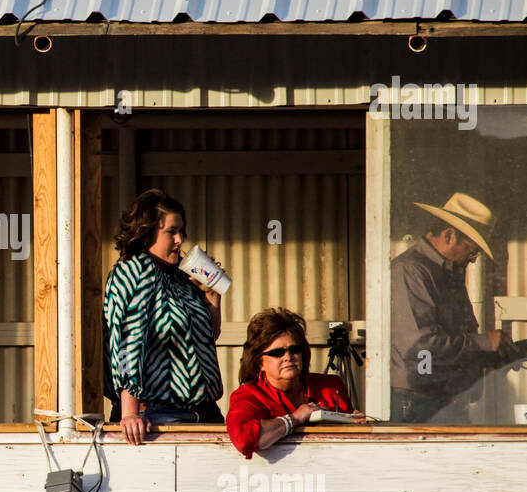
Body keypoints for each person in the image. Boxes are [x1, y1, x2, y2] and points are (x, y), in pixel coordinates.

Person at [104, 189, 224, 445]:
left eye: (182, 231)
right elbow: (126, 342)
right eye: (171, 231)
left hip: (205, 412)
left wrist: (212, 295)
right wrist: (130, 413)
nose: (180, 240)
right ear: (146, 232)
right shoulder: (133, 271)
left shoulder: (179, 276)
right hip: (158, 416)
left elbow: (208, 337)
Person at [390, 192, 515, 423]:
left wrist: (490, 354)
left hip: (444, 401)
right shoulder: (410, 271)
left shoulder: (446, 273)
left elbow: (450, 341)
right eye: (472, 250)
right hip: (418, 403)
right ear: (449, 235)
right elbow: (421, 346)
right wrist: (485, 342)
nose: (472, 259)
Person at [226, 308, 364, 459]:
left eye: (294, 349)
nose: (288, 357)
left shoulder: (330, 386)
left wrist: (357, 426)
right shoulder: (249, 395)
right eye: (277, 353)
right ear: (259, 362)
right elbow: (244, 439)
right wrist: (295, 418)